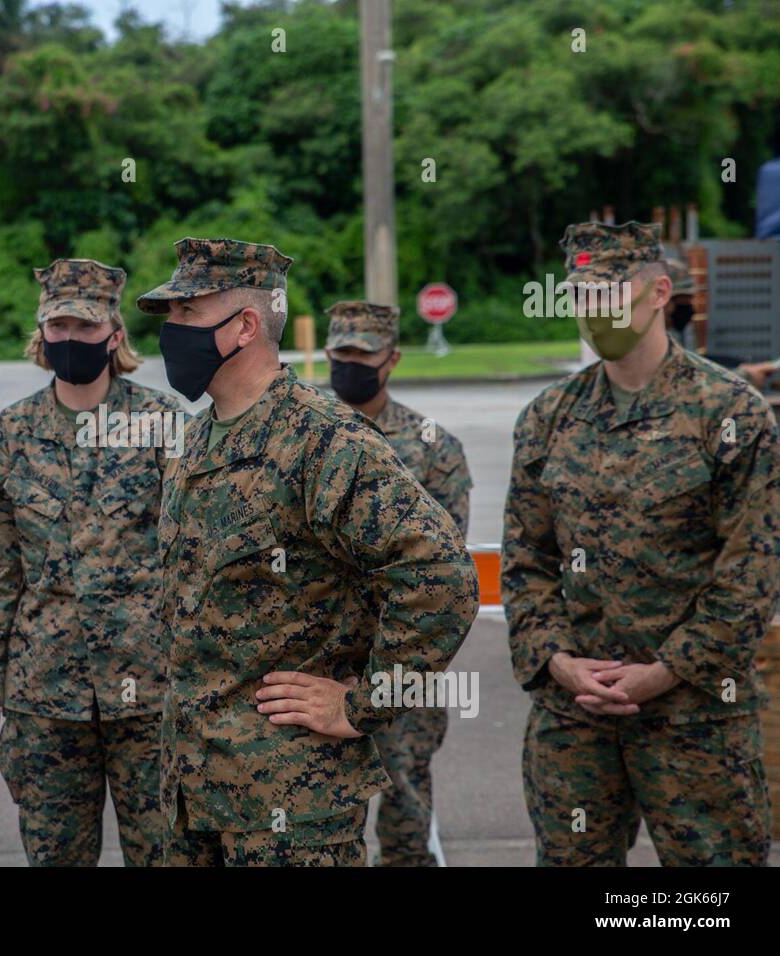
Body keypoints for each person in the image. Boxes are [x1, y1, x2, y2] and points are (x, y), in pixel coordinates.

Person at [141, 237, 479, 866]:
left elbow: (441, 576)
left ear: (243, 325)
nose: (171, 333)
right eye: (170, 317)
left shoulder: (323, 438)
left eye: (186, 314)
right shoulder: (200, 436)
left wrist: (364, 703)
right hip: (194, 793)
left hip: (291, 807)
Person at [502, 220, 777, 866]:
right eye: (581, 297)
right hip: (576, 715)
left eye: (609, 296)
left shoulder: (730, 414)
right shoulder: (548, 417)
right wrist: (558, 663)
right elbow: (524, 563)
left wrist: (666, 671)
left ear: (658, 293)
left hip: (696, 715)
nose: (594, 312)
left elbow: (752, 572)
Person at [0, 258, 179, 866]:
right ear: (42, 336)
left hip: (151, 687)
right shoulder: (7, 436)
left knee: (167, 852)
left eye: (86, 329)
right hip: (45, 694)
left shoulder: (164, 427)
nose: (72, 340)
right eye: (60, 328)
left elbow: (195, 559)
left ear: (114, 335)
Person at [323, 299, 472, 866]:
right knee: (320, 816)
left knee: (405, 805)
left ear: (392, 360)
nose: (351, 364)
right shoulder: (306, 434)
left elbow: (441, 571)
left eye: (365, 354)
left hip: (402, 662)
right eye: (342, 353)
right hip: (319, 660)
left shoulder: (434, 447)